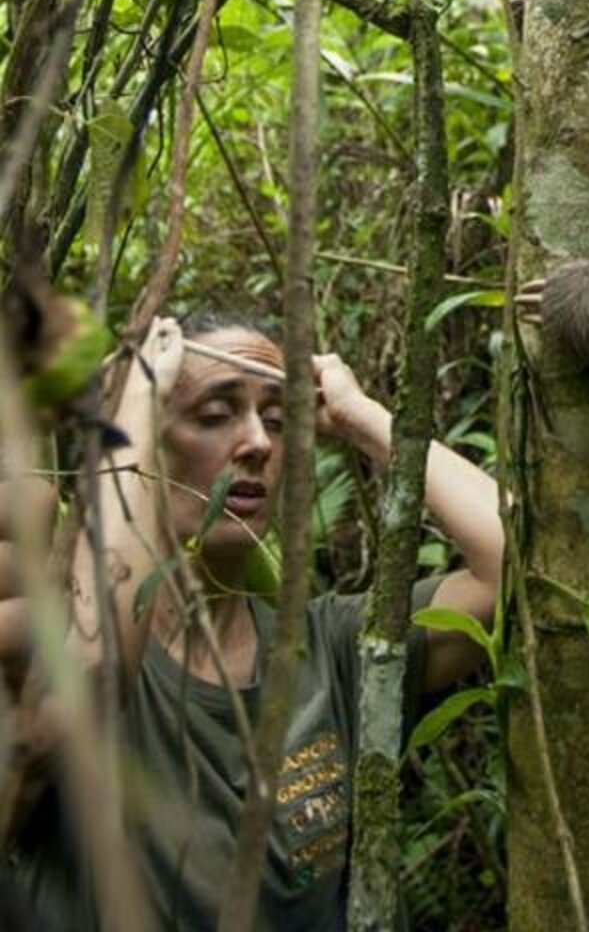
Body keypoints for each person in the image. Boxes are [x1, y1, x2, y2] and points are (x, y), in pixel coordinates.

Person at [1, 313, 503, 930]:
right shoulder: (45, 652)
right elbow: (96, 667)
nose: (258, 444)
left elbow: (508, 571)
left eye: (276, 421)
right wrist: (130, 398)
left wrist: (359, 415)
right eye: (214, 415)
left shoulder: (331, 648)